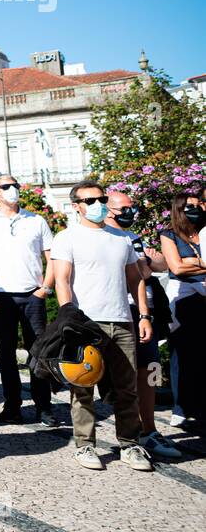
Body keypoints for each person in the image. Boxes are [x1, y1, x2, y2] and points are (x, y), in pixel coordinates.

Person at [51, 181, 153, 472]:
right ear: (76, 206)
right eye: (90, 199)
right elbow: (62, 280)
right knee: (82, 387)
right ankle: (85, 445)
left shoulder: (120, 238)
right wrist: (68, 318)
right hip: (85, 322)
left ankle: (130, 444)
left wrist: (143, 316)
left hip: (122, 320)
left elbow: (135, 279)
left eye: (102, 198)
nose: (98, 204)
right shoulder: (67, 237)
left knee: (127, 387)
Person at [0, 174, 57, 426]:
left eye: (15, 185)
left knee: (38, 353)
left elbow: (51, 257)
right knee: (5, 355)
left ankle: (44, 407)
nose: (13, 190)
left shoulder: (36, 220)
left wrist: (45, 288)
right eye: (6, 186)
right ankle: (12, 406)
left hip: (33, 296)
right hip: (1, 298)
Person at [105, 191, 181, 460]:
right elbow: (138, 273)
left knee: (150, 372)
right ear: (109, 209)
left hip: (147, 313)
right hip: (121, 313)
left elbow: (161, 263)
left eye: (132, 207)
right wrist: (146, 265)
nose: (130, 212)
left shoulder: (134, 237)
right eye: (124, 208)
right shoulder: (105, 238)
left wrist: (148, 262)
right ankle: (130, 433)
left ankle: (149, 430)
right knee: (124, 377)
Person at [158, 190, 205, 425]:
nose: (196, 209)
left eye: (199, 205)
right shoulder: (169, 235)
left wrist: (192, 263)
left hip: (203, 298)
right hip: (183, 300)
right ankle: (180, 407)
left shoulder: (204, 233)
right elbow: (176, 268)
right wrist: (201, 263)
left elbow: (185, 265)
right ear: (179, 209)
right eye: (190, 206)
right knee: (182, 355)